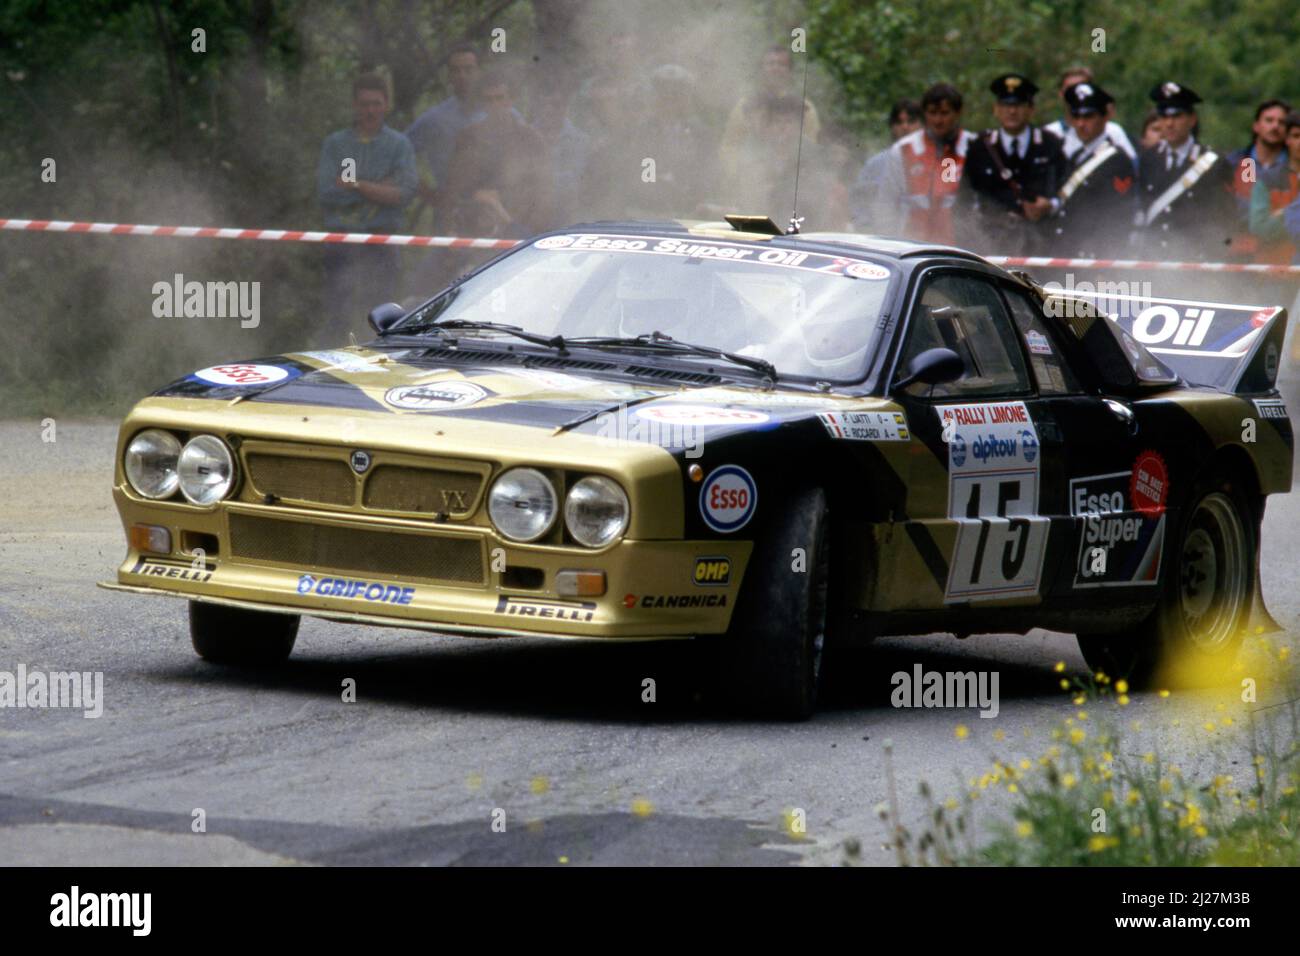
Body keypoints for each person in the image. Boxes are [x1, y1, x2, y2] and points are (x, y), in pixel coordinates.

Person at [315, 73, 417, 332]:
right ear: (354, 105)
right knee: (337, 314)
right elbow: (327, 193)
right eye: (364, 104)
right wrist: (381, 186)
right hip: (341, 240)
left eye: (376, 103)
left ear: (386, 105)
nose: (370, 110)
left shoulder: (399, 145)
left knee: (384, 314)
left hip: (382, 240)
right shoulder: (336, 144)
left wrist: (357, 184)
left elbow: (403, 193)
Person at [957, 74, 1069, 255]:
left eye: (1018, 105)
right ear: (996, 109)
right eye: (1006, 105)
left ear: (1031, 109)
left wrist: (1050, 205)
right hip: (991, 243)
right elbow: (964, 199)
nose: (1012, 111)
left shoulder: (1051, 145)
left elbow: (1067, 191)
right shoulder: (981, 148)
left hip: (1041, 244)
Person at [440, 70, 554, 238]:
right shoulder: (468, 138)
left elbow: (544, 193)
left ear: (511, 100)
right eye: (489, 99)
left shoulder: (531, 140)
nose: (495, 104)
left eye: (500, 98)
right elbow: (453, 188)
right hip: (473, 228)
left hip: (517, 227)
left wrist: (529, 235)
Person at [1135, 82, 1237, 261]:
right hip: (1154, 259)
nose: (1169, 123)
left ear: (1192, 119)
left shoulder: (1213, 162)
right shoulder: (1148, 159)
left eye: (1177, 116)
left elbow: (1225, 216)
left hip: (1195, 260)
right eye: (1164, 116)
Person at [877, 83, 976, 244]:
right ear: (924, 114)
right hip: (912, 241)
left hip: (960, 242)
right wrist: (888, 240)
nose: (938, 120)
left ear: (958, 113)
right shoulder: (904, 149)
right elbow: (886, 201)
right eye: (932, 113)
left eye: (945, 113)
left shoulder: (972, 145)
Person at [1049, 82, 1138, 258]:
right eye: (1076, 116)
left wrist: (1104, 264)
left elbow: (1118, 218)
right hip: (1066, 252)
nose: (1081, 123)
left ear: (1105, 117)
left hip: (1093, 256)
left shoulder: (1118, 160)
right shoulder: (1073, 156)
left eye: (1089, 116)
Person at [719, 44, 821, 182]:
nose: (775, 68)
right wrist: (736, 175)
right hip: (751, 178)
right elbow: (730, 145)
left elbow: (812, 144)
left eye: (781, 64)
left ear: (790, 71)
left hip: (793, 180)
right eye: (770, 63)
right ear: (761, 69)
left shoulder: (805, 108)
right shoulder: (744, 105)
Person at [1042, 66, 1137, 167]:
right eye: (1070, 89)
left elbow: (1132, 166)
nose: (1077, 93)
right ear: (1061, 94)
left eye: (1082, 87)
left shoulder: (1112, 130)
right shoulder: (1049, 133)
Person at [851, 99, 922, 231]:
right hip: (882, 242)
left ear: (921, 125)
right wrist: (865, 231)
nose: (905, 127)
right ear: (892, 126)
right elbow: (859, 203)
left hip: (920, 241)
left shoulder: (933, 163)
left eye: (911, 121)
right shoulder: (875, 164)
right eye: (899, 122)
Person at [1226, 99, 1292, 224]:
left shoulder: (1294, 166)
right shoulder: (1234, 162)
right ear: (1256, 126)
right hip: (1238, 237)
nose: (1275, 126)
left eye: (1282, 122)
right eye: (1269, 120)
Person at [1248, 110, 1300, 264]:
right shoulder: (1267, 179)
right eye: (1296, 136)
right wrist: (1291, 214)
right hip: (1274, 274)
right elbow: (1259, 227)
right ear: (1286, 139)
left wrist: (1282, 213)